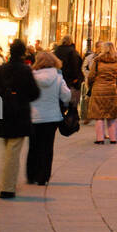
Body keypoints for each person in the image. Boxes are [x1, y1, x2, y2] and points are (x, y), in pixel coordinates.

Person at [0, 39, 39, 200]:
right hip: (19, 114)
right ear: (23, 52)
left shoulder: (2, 69)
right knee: (13, 151)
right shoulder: (25, 70)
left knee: (7, 151)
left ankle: (6, 182)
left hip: (3, 113)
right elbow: (34, 93)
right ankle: (7, 187)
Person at [27, 51, 71, 187]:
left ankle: (31, 174)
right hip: (52, 117)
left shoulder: (31, 77)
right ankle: (43, 176)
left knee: (33, 146)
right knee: (47, 147)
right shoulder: (58, 77)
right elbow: (66, 96)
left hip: (33, 116)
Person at [87, 41, 117, 145]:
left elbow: (91, 76)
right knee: (112, 115)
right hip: (111, 89)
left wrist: (90, 85)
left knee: (99, 115)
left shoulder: (97, 60)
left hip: (98, 89)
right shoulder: (116, 61)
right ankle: (113, 139)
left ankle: (100, 139)